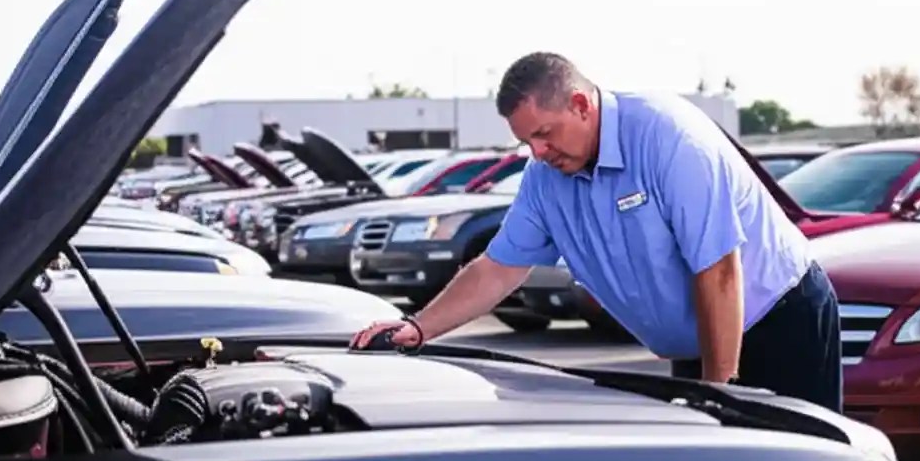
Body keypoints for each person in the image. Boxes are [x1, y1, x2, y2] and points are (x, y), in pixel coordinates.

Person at [352, 52, 843, 412]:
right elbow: (498, 269)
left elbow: (718, 270)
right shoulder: (545, 179)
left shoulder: (667, 137)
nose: (537, 153)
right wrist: (418, 328)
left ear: (582, 105)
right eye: (526, 142)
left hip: (779, 320)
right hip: (703, 342)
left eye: (543, 134)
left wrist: (717, 390)